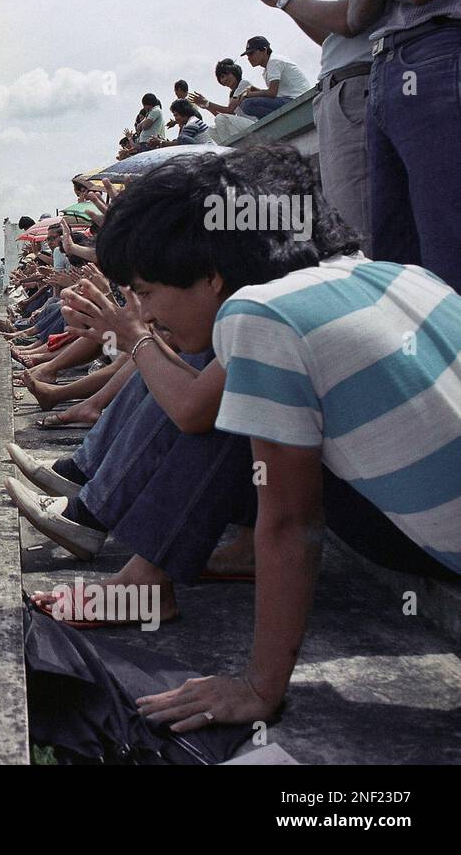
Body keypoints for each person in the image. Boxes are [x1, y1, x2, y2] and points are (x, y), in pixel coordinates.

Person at [58, 146, 461, 731]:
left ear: (213, 275)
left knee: (226, 405)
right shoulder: (396, 272)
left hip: (426, 545)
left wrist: (257, 687)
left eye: (146, 291)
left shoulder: (259, 315)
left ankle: (145, 583)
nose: (142, 311)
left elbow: (292, 522)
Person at [238, 0, 386, 238]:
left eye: (252, 53)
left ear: (263, 52)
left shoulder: (275, 64)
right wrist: (287, 2)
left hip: (356, 88)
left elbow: (349, 20)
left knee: (356, 235)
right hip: (339, 90)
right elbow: (336, 40)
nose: (250, 58)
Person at [347, 0, 461, 291]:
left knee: (447, 246)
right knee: (397, 263)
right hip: (387, 65)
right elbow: (354, 14)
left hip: (436, 50)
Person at [237, 36, 312, 118]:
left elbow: (272, 93)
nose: (249, 58)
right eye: (247, 55)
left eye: (251, 53)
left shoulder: (273, 62)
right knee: (250, 105)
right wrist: (256, 91)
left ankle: (280, 120)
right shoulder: (269, 67)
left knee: (248, 104)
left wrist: (248, 94)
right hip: (290, 99)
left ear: (264, 50)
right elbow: (275, 93)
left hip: (296, 99)